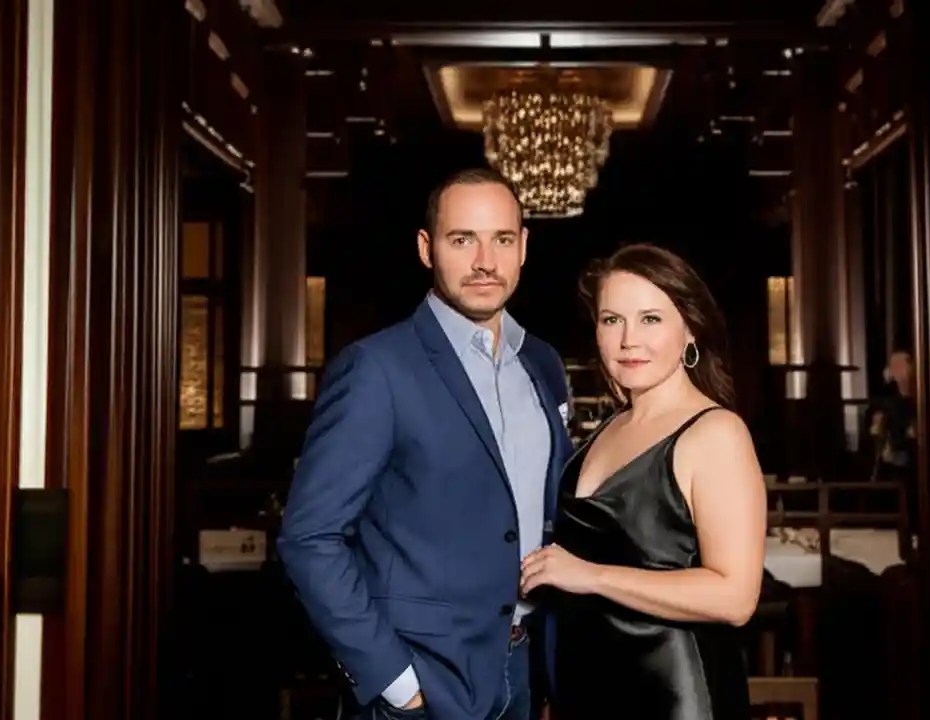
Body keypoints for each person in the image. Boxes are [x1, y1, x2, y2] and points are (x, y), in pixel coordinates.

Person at [278, 168, 573, 720]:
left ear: (523, 247)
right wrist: (394, 680)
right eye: (462, 240)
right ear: (425, 248)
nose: (485, 260)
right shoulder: (376, 369)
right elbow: (309, 537)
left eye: (501, 239)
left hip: (526, 670)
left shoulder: (543, 364)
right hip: (424, 684)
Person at [520, 244, 767, 719]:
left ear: (690, 328)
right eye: (612, 320)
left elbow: (735, 597)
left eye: (650, 319)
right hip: (589, 691)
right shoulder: (611, 426)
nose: (628, 339)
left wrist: (591, 576)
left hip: (673, 696)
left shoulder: (715, 433)